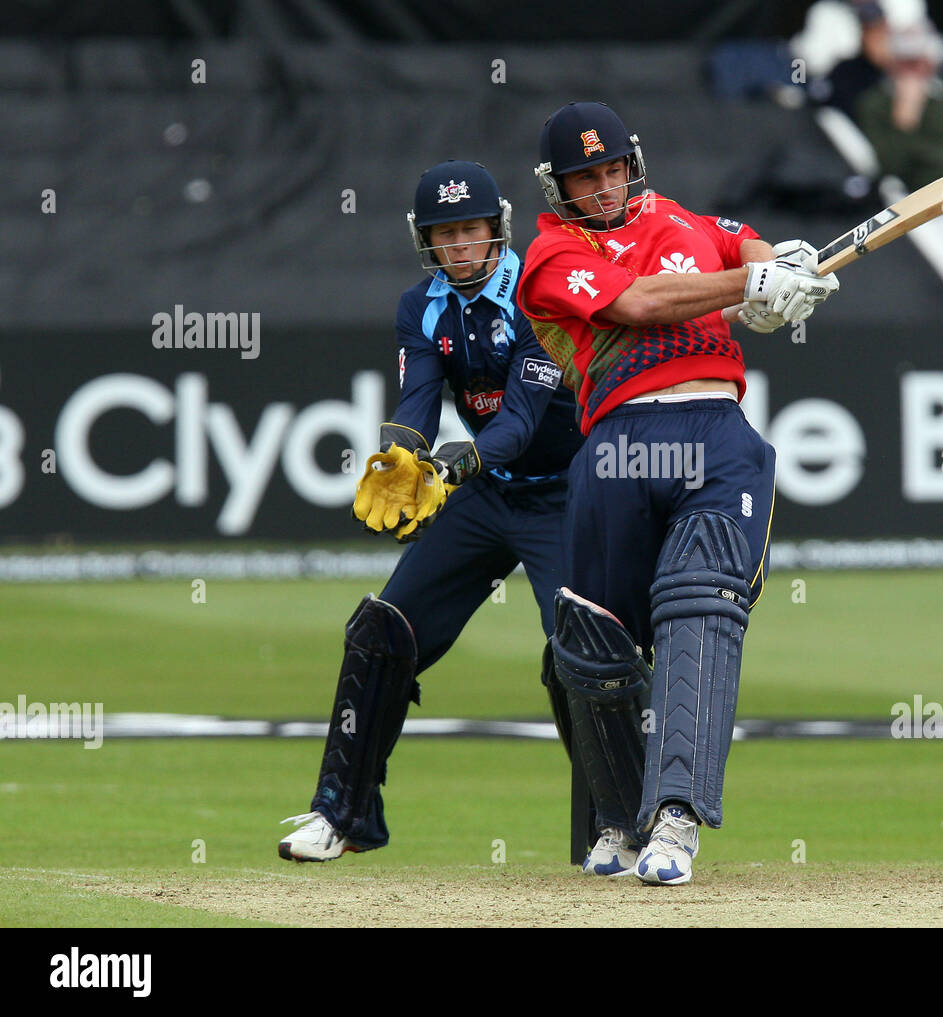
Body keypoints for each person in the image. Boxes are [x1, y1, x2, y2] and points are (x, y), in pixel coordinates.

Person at [517, 101, 838, 885]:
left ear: (633, 163)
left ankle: (677, 815)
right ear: (557, 188)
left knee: (701, 602)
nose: (601, 188)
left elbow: (741, 240)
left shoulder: (687, 219)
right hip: (620, 439)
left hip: (717, 432)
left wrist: (776, 276)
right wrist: (749, 281)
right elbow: (636, 305)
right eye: (582, 178)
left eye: (611, 170)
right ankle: (618, 817)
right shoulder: (551, 254)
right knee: (595, 643)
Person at [277, 161, 584, 861]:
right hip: (485, 493)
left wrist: (453, 464)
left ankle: (616, 822)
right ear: (427, 239)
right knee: (382, 632)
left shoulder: (538, 294)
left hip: (564, 490)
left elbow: (520, 420)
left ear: (496, 228)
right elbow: (418, 400)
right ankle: (344, 815)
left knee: (583, 647)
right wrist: (398, 457)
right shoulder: (421, 306)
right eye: (444, 234)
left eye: (471, 230)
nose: (460, 247)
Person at [853, 19, 943, 192]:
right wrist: (904, 122)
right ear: (892, 63)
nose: (912, 70)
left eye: (917, 61)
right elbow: (888, 167)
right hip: (910, 194)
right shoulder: (874, 103)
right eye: (905, 62)